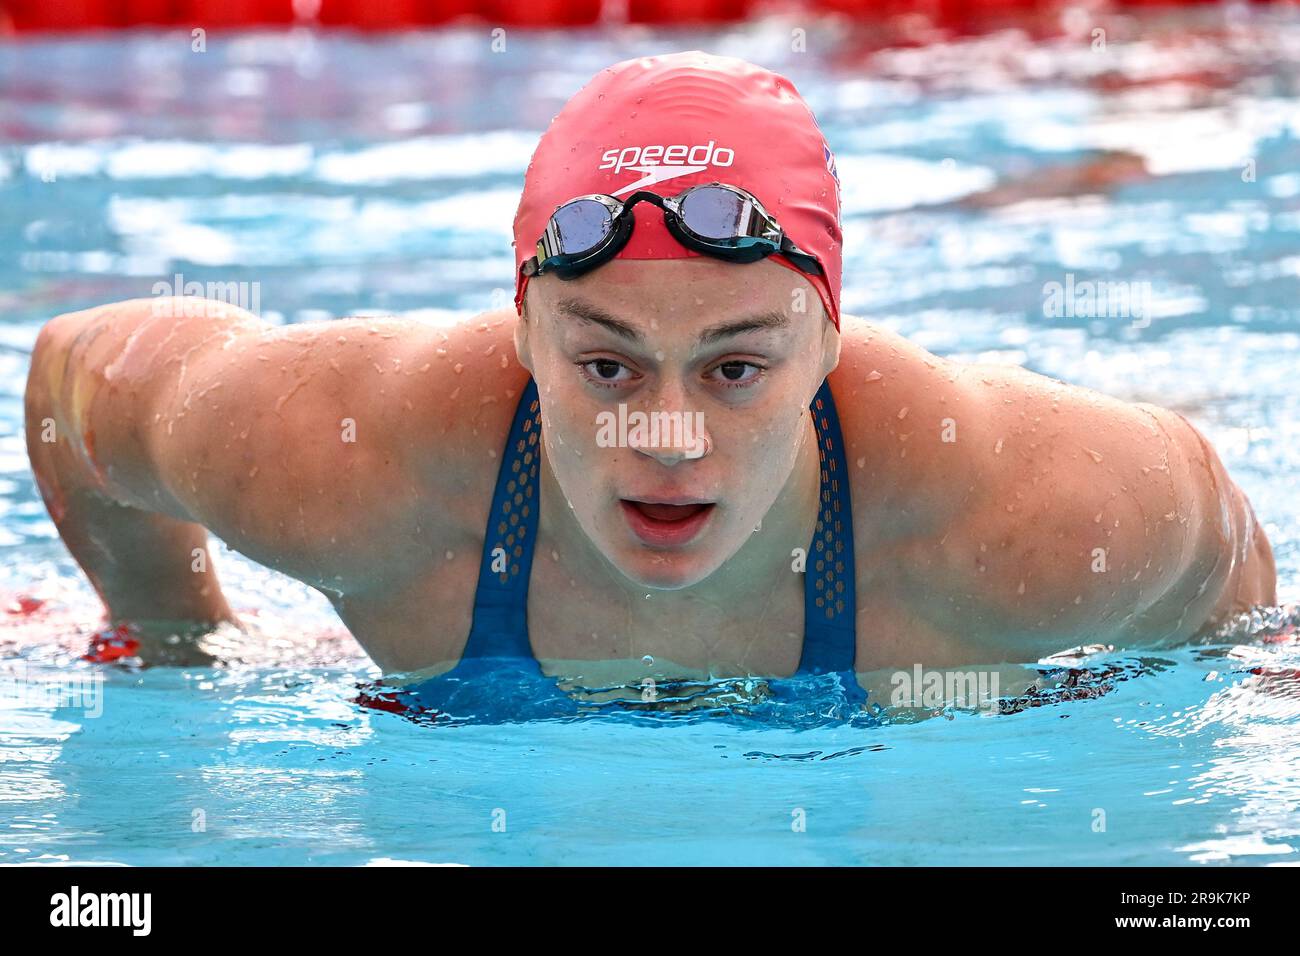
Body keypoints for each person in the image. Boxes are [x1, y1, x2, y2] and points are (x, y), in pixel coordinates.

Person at [23, 51, 1276, 703]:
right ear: (522, 333)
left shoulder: (1037, 514)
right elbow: (80, 377)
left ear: (829, 343)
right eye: (607, 361)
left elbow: (1225, 568)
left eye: (735, 365)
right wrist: (179, 641)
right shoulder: (336, 455)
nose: (668, 433)